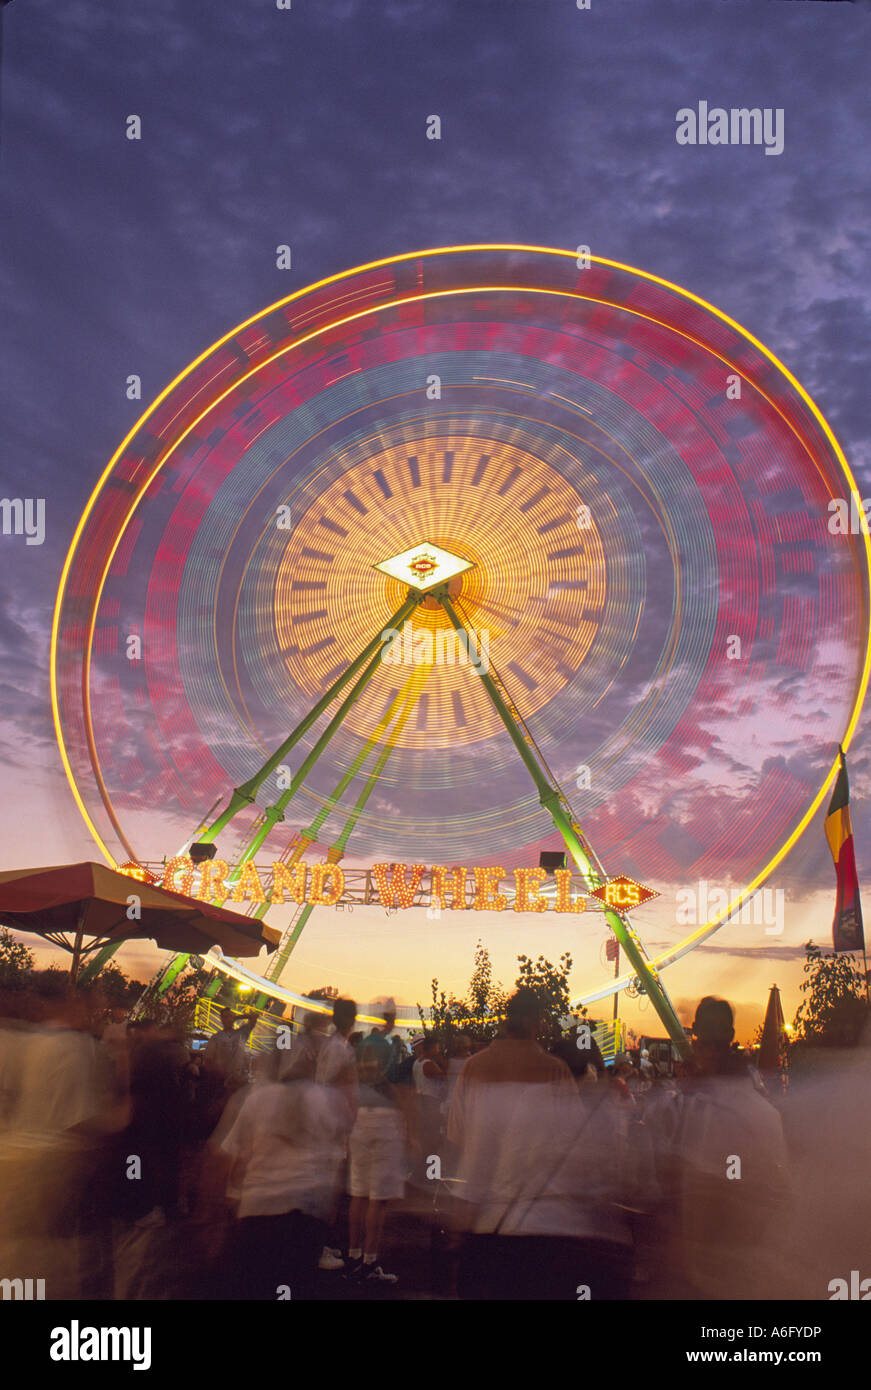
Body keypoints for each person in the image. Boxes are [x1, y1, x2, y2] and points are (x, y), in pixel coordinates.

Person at [447, 989, 639, 1299]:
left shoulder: (473, 1067)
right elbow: (574, 1151)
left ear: (505, 1022)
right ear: (537, 1023)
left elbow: (459, 1142)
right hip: (546, 1230)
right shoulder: (554, 1071)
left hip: (486, 1221)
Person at [219, 1043, 342, 1300]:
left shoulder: (258, 1099)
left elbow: (232, 1154)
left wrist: (228, 1196)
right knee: (296, 1285)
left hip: (260, 1210)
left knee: (255, 1285)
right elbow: (334, 1160)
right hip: (306, 1215)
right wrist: (329, 1205)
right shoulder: (326, 1101)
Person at [345, 1011, 412, 1285]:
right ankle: (370, 1262)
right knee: (378, 1199)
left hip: (359, 1121)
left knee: (358, 1195)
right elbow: (396, 1086)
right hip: (383, 1123)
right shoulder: (386, 1053)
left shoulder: (360, 1053)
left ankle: (353, 1255)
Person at [314, 998, 358, 1271]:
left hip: (331, 1122)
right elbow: (331, 1083)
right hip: (331, 1123)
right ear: (352, 1020)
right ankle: (317, 1248)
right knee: (328, 1188)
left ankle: (321, 1244)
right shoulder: (338, 1049)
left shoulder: (334, 1045)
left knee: (331, 1187)